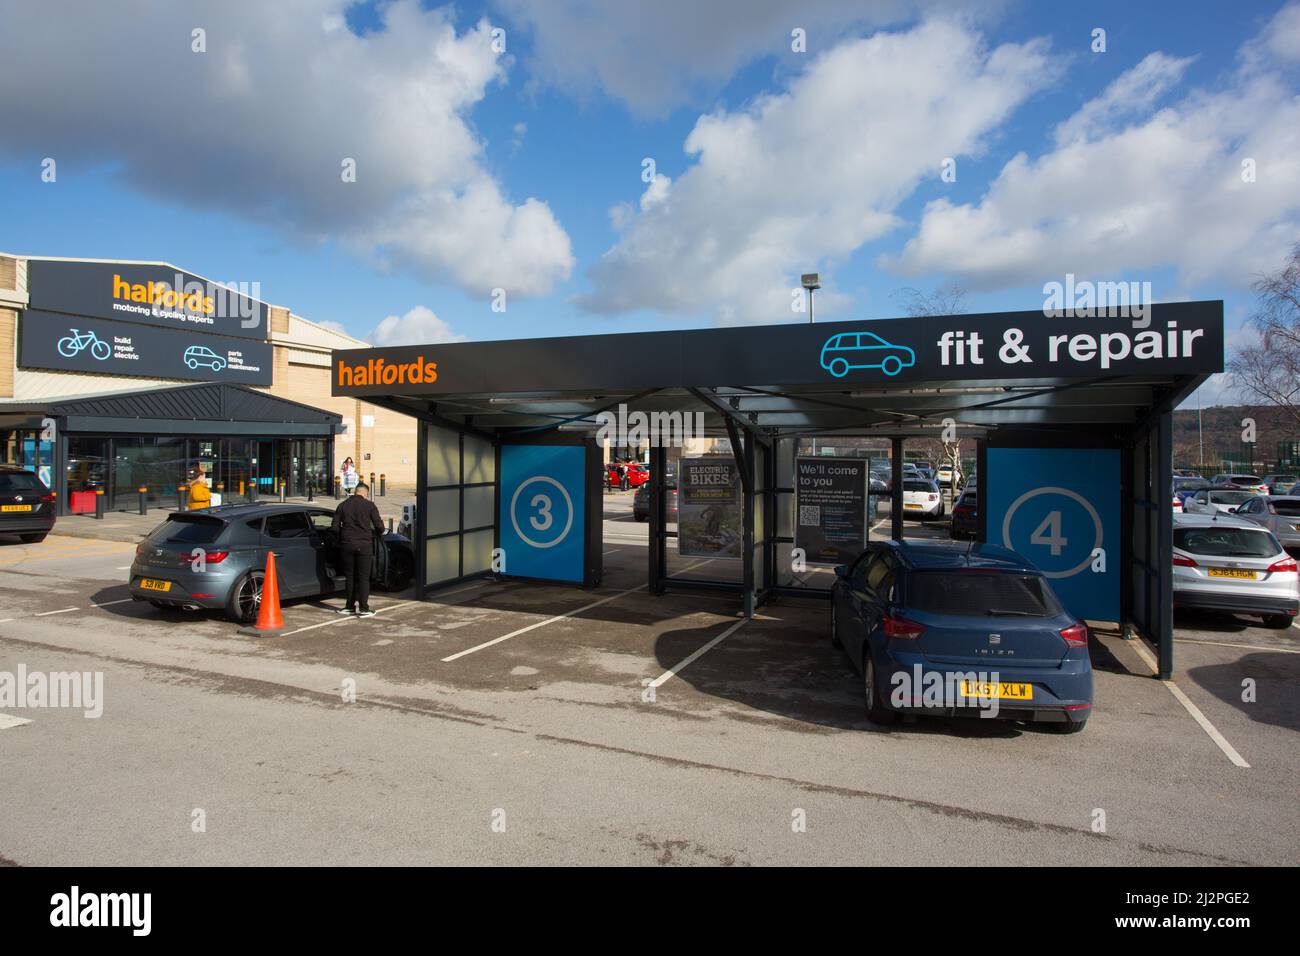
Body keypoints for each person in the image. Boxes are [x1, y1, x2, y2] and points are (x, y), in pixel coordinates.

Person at [332, 481, 385, 617]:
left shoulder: (342, 505)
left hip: (347, 545)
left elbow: (335, 528)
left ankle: (349, 606)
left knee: (349, 577)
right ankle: (364, 608)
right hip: (364, 545)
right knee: (363, 577)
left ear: (355, 491)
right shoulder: (369, 506)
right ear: (365, 493)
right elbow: (380, 527)